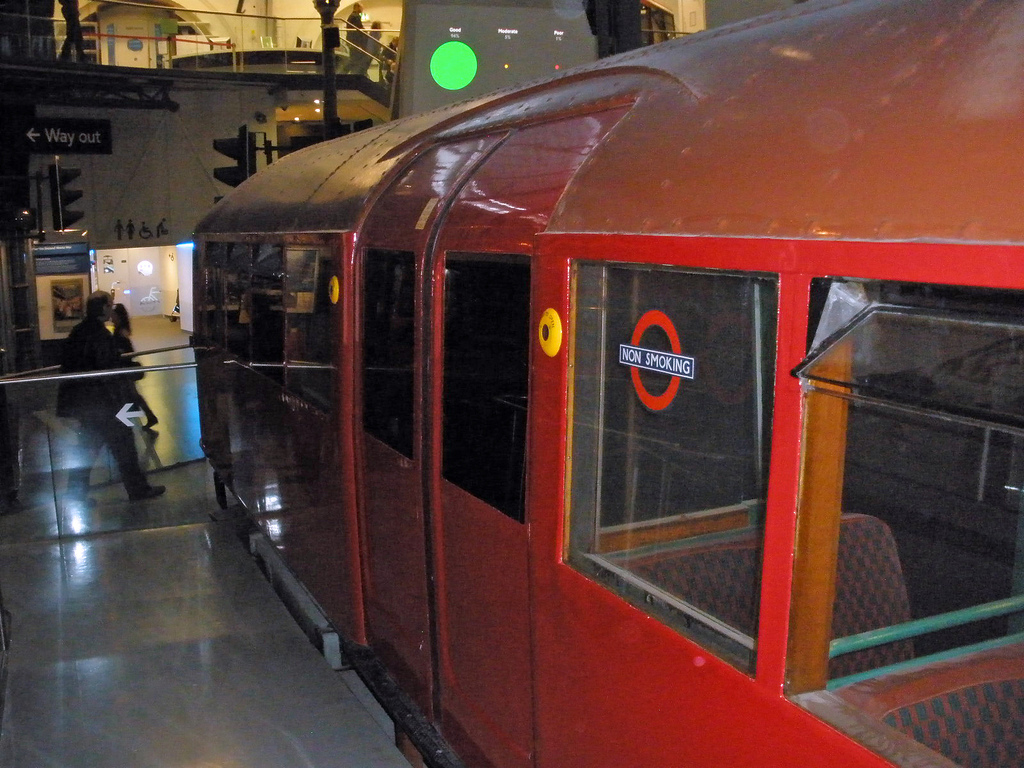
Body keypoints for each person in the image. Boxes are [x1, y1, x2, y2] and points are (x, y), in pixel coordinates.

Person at [56, 291, 164, 502]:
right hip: (107, 404)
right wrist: (133, 369)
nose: (112, 309)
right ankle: (137, 489)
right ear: (103, 307)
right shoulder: (100, 335)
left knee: (88, 448)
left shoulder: (79, 331)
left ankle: (76, 492)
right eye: (110, 305)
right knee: (124, 444)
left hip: (87, 403)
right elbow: (107, 368)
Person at [111, 303, 158, 430]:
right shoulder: (121, 329)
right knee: (133, 394)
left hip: (124, 368)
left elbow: (128, 350)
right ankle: (149, 416)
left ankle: (142, 417)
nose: (112, 317)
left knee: (130, 394)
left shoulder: (120, 331)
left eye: (114, 315)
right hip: (125, 367)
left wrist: (119, 352)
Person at [342, 3, 368, 75]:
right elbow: (359, 27)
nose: (362, 10)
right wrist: (365, 33)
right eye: (361, 8)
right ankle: (347, 72)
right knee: (355, 58)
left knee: (354, 58)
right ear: (357, 7)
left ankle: (347, 72)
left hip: (351, 39)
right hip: (355, 40)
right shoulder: (355, 16)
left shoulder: (351, 16)